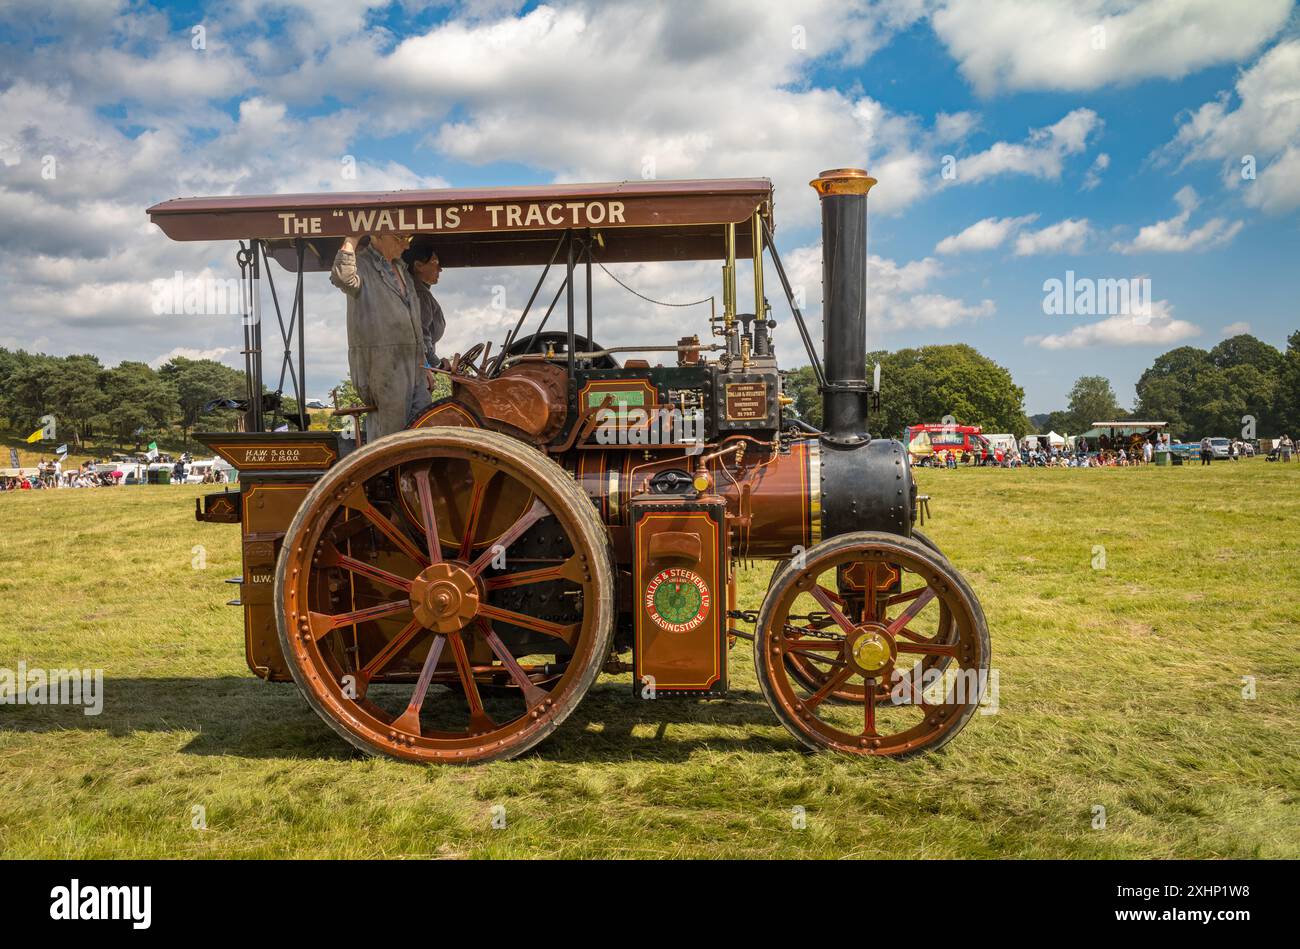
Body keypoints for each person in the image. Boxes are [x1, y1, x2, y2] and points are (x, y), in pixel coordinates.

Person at [331, 232, 431, 440]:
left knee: (422, 428)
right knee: (391, 438)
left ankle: (415, 473)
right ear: (377, 235)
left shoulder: (401, 268)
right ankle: (391, 473)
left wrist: (426, 365)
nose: (405, 245)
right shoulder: (362, 265)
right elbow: (343, 278)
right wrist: (352, 239)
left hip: (415, 365)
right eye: (400, 238)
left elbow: (415, 323)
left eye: (409, 240)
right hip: (383, 367)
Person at [402, 236, 448, 388]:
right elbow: (422, 336)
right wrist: (437, 365)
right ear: (418, 266)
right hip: (416, 372)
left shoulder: (419, 292)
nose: (440, 268)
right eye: (435, 262)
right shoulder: (420, 295)